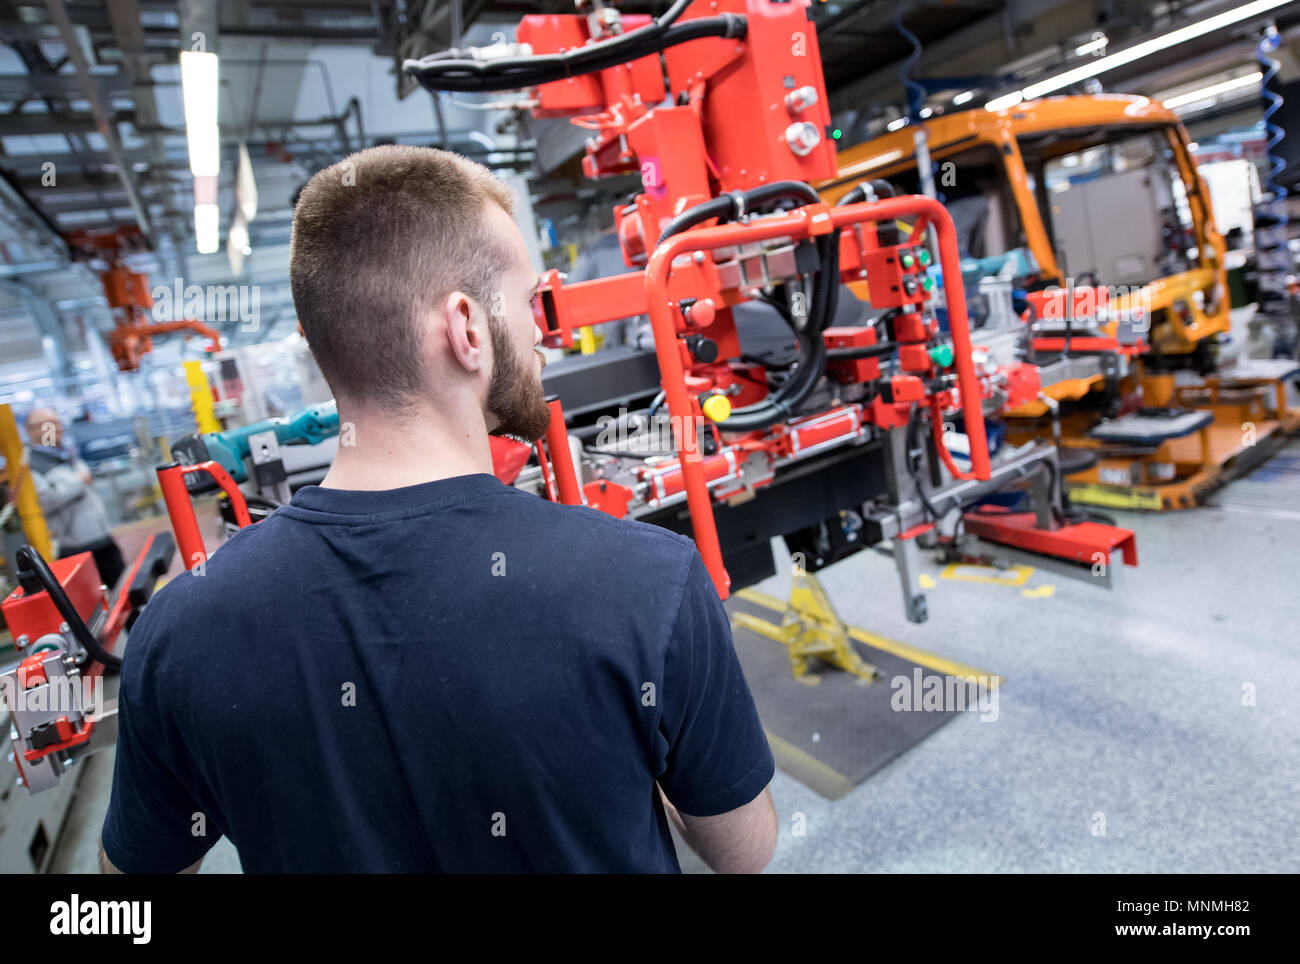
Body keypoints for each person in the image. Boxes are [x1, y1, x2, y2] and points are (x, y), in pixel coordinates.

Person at [99, 144, 776, 874]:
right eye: (526, 301)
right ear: (467, 328)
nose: (543, 329)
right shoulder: (651, 583)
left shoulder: (181, 632)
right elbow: (745, 853)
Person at [24, 408, 125, 589]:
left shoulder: (63, 453)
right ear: (32, 430)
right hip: (75, 547)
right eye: (51, 424)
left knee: (127, 591)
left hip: (101, 536)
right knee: (91, 605)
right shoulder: (31, 465)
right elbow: (44, 502)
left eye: (58, 422)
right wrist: (79, 481)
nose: (58, 428)